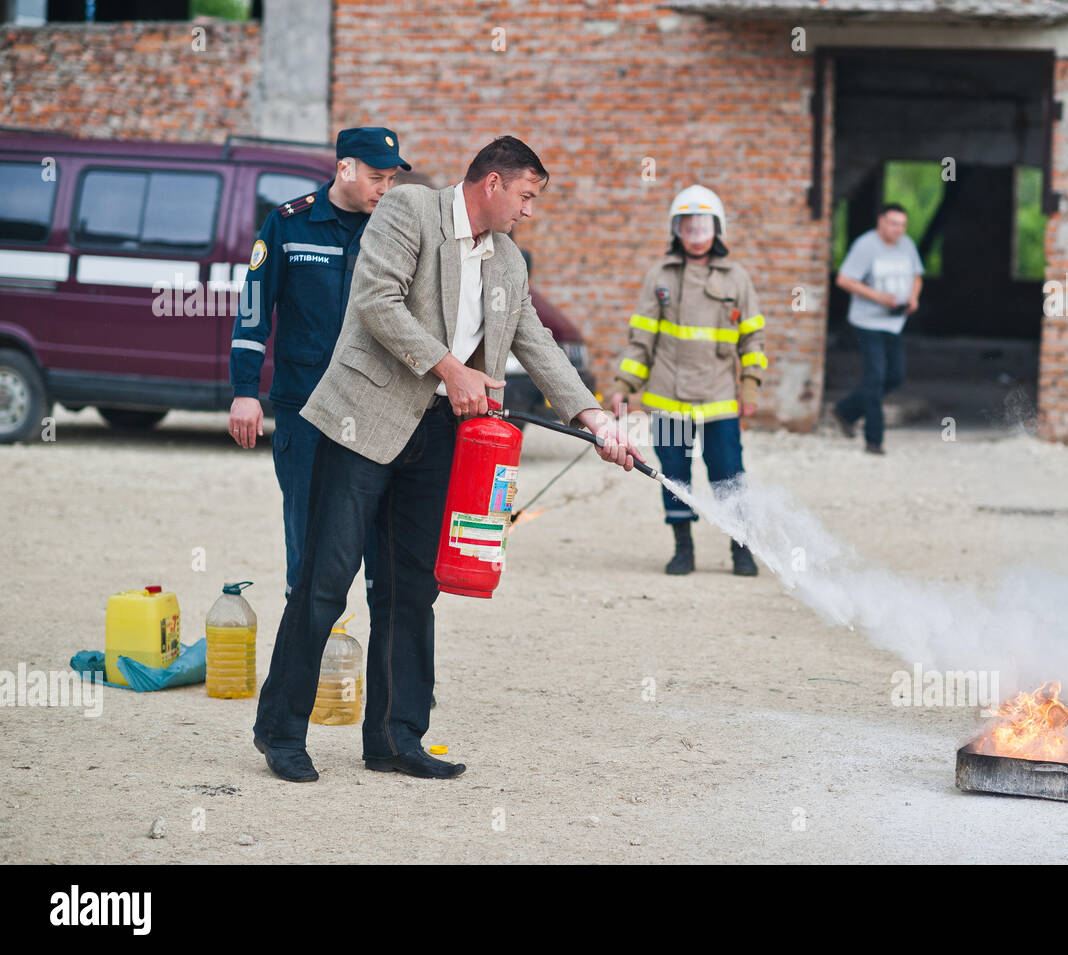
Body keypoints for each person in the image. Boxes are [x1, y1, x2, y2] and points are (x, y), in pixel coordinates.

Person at [252, 136, 642, 783]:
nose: (530, 210)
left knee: (411, 590)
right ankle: (280, 732)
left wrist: (596, 419)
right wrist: (451, 368)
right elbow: (377, 301)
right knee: (325, 580)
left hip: (437, 437)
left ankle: (395, 738)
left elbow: (536, 342)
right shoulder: (409, 211)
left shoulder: (510, 262)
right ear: (491, 183)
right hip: (362, 421)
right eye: (527, 195)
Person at [228, 126, 406, 600]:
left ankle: (365, 656)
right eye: (375, 177)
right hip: (303, 407)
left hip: (374, 409)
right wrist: (245, 391)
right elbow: (253, 309)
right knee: (306, 530)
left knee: (374, 531)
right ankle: (303, 652)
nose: (384, 189)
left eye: (390, 179)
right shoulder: (288, 225)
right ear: (344, 168)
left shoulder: (394, 229)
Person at [608, 185, 766, 577]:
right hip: (668, 401)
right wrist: (624, 385)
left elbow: (753, 339)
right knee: (674, 475)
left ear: (717, 229)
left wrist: (750, 386)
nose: (695, 235)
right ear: (675, 230)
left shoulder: (737, 278)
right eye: (687, 226)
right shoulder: (660, 277)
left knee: (729, 475)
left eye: (703, 226)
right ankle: (683, 548)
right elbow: (641, 339)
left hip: (719, 402)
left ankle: (741, 549)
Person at [831, 202, 923, 454]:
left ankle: (846, 411)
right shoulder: (865, 246)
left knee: (895, 376)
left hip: (894, 322)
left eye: (902, 225)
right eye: (894, 224)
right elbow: (844, 280)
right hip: (867, 321)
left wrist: (913, 298)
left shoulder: (907, 245)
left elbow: (916, 276)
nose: (898, 230)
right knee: (875, 378)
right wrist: (877, 297)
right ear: (881, 222)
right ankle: (874, 440)